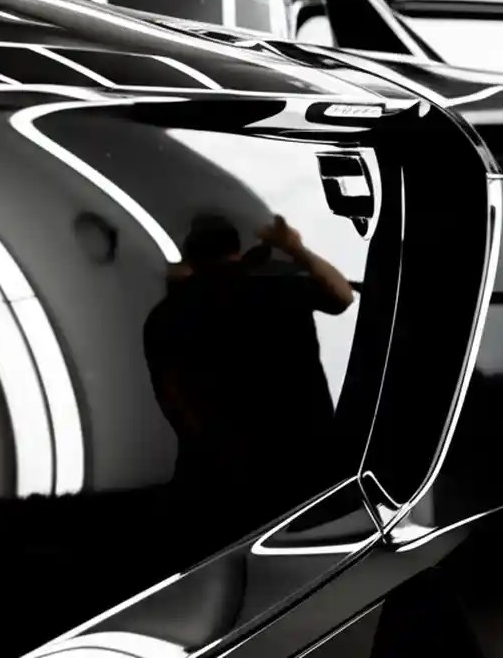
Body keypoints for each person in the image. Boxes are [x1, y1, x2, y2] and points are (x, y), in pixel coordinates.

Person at [144, 213, 354, 545]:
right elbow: (342, 296)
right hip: (304, 460)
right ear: (237, 249)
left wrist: (210, 447)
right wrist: (295, 249)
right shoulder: (277, 287)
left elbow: (171, 398)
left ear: (190, 256)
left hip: (223, 474)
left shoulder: (166, 314)